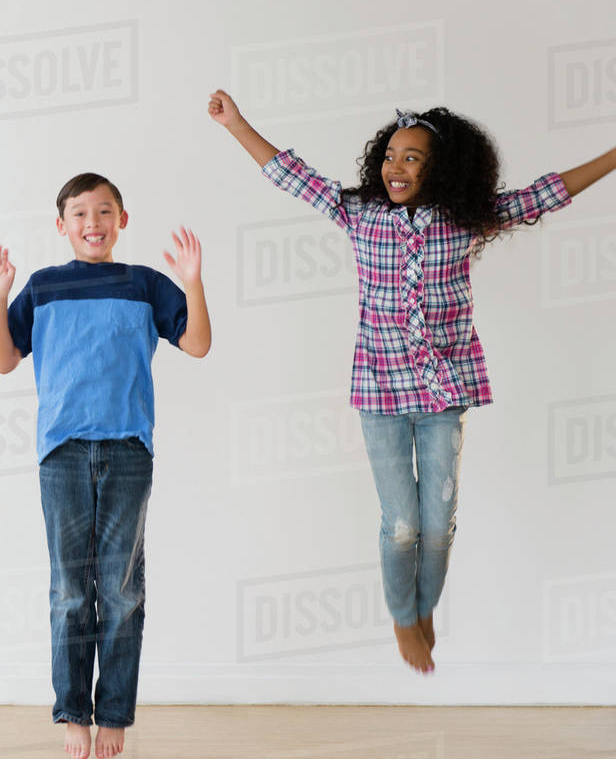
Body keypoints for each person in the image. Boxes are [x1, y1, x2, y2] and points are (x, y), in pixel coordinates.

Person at [208, 89, 616, 673]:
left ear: (441, 169)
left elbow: (547, 193)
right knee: (401, 527)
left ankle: (423, 609)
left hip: (444, 393)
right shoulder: (360, 214)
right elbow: (291, 175)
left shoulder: (465, 221)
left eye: (413, 158)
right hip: (379, 392)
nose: (396, 167)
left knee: (438, 524)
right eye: (391, 154)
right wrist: (237, 123)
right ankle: (405, 618)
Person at [0, 173, 211, 759]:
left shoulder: (144, 285)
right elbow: (5, 360)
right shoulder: (44, 287)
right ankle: (72, 712)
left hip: (128, 450)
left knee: (120, 587)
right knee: (68, 590)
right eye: (80, 213)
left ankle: (113, 711)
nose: (93, 222)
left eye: (105, 211)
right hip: (61, 452)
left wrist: (193, 282)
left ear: (122, 220)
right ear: (62, 225)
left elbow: (198, 344)